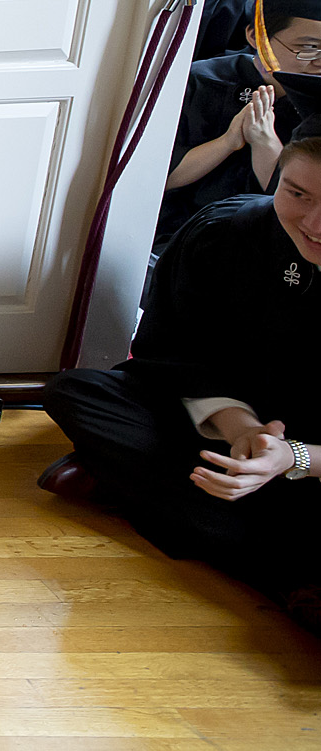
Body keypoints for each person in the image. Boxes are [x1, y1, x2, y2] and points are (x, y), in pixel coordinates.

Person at [40, 131, 321, 636]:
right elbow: (174, 352)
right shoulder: (231, 231)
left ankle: (266, 561)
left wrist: (295, 459)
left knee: (256, 516)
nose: (314, 225)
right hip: (227, 432)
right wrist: (244, 428)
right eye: (297, 193)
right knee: (79, 393)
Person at [159, 0, 318, 246]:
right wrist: (228, 141)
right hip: (175, 233)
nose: (319, 61)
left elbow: (304, 196)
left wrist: (265, 142)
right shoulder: (198, 80)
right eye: (308, 48)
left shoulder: (317, 101)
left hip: (274, 240)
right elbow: (158, 177)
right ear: (256, 36)